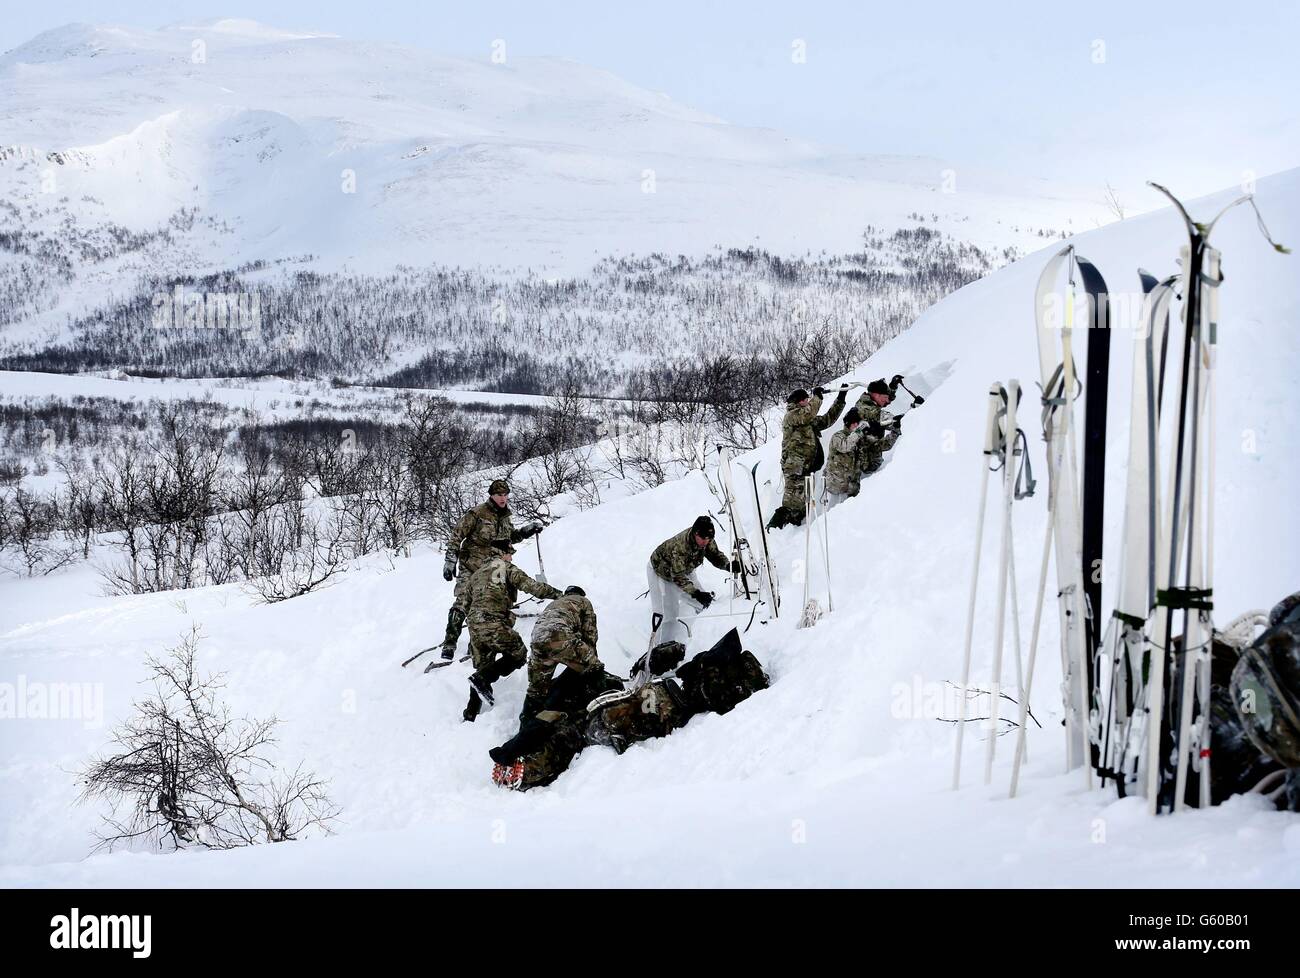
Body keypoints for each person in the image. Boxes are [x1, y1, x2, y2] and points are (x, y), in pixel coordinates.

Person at [439, 478, 542, 662]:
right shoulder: (477, 513)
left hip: (494, 567)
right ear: (491, 496)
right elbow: (457, 535)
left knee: (491, 605)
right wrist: (450, 560)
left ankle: (476, 644)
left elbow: (511, 537)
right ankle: (449, 644)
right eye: (498, 495)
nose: (503, 498)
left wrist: (527, 531)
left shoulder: (505, 517)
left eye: (505, 495)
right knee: (463, 602)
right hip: (472, 565)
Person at [462, 542, 562, 722]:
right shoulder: (502, 567)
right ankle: (481, 679)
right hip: (493, 622)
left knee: (483, 667)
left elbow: (464, 605)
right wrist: (559, 595)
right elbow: (532, 586)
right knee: (519, 654)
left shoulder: (476, 575)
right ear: (501, 553)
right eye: (509, 553)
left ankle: (471, 713)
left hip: (474, 626)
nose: (511, 557)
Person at [647, 515, 737, 646]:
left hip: (685, 569)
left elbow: (715, 555)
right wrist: (696, 593)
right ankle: (660, 649)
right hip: (661, 573)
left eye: (708, 539)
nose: (705, 542)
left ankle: (694, 631)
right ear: (695, 534)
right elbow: (677, 577)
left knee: (703, 604)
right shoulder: (680, 547)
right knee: (669, 614)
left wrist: (728, 565)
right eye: (703, 538)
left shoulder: (707, 539)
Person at [767, 385, 846, 529]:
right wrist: (817, 396)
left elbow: (828, 419)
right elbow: (808, 413)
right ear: (799, 402)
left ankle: (796, 528)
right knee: (792, 502)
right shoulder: (792, 416)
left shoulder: (806, 419)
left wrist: (841, 398)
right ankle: (775, 529)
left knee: (803, 502)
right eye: (806, 400)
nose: (808, 402)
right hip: (795, 467)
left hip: (806, 468)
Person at [522, 585, 604, 722]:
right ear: (580, 594)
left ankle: (526, 724)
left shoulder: (554, 604)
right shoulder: (583, 601)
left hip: (537, 640)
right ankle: (597, 711)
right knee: (595, 668)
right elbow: (590, 634)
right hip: (559, 635)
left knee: (536, 690)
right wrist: (591, 660)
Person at [853, 378, 903, 479]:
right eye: (885, 397)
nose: (887, 400)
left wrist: (892, 387)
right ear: (876, 395)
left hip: (870, 455)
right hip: (867, 466)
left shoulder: (868, 400)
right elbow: (894, 421)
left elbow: (885, 400)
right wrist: (915, 410)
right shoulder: (868, 410)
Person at [825, 407, 865, 508]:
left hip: (851, 487)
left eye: (858, 423)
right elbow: (845, 446)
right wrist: (858, 432)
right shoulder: (838, 436)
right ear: (848, 423)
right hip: (835, 486)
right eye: (854, 423)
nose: (856, 426)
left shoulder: (858, 438)